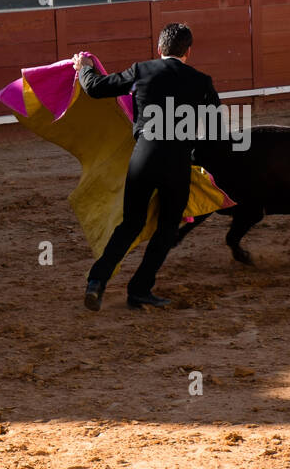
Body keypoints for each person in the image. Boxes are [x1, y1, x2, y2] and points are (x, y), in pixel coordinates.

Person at [75, 23, 221, 311]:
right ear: (188, 52)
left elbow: (94, 88)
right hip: (177, 162)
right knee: (167, 230)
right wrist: (195, 157)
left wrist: (84, 67)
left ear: (159, 49)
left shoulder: (141, 70)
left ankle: (97, 282)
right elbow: (215, 131)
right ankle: (139, 289)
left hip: (144, 158)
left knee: (131, 224)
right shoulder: (202, 81)